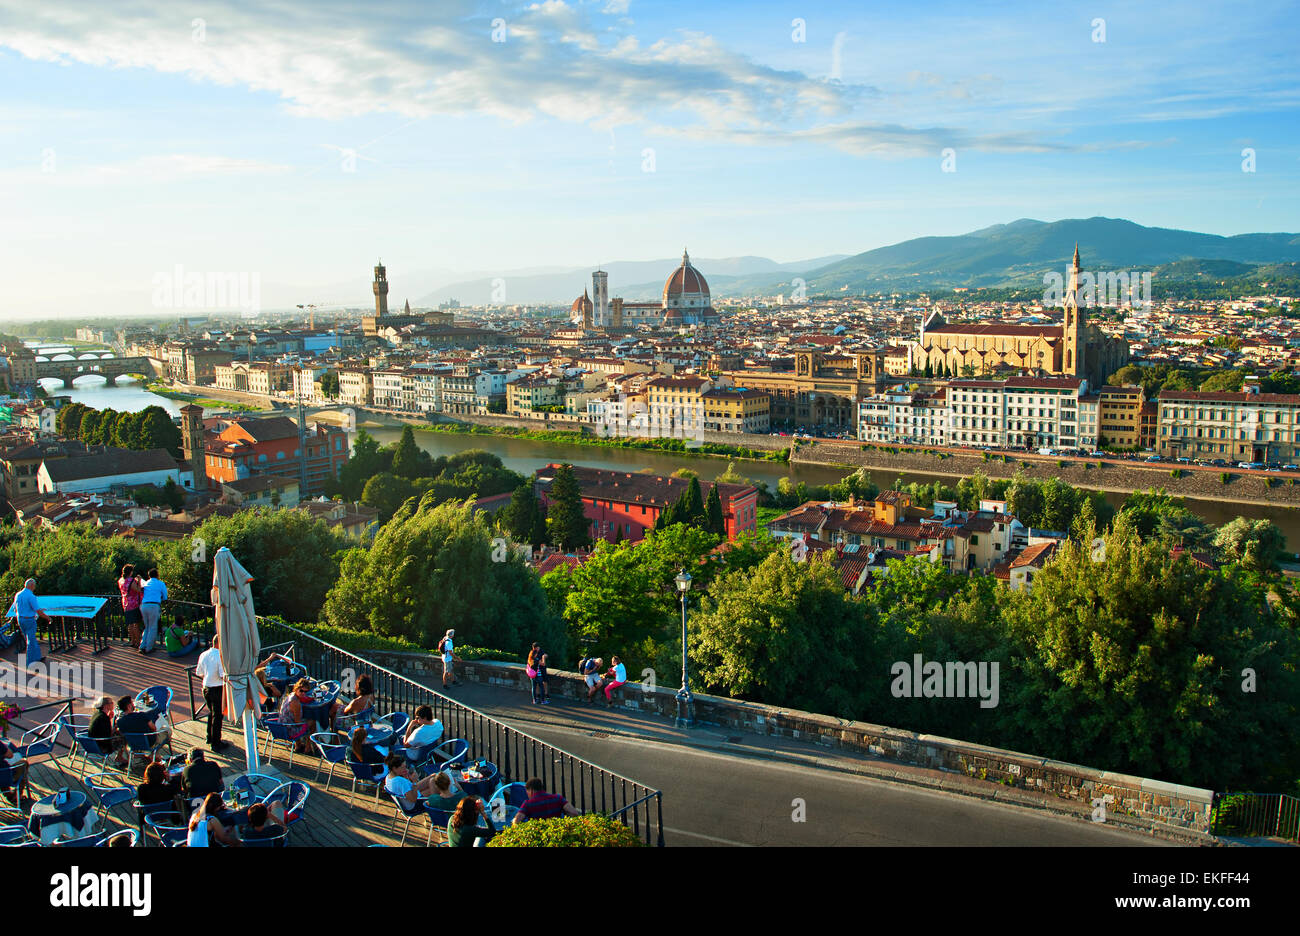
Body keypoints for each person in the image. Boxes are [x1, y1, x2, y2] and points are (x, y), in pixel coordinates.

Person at [194, 634, 227, 752]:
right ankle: (216, 742)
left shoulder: (204, 654)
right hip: (216, 688)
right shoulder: (219, 656)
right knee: (217, 715)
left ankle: (210, 737)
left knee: (212, 712)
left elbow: (199, 672)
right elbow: (222, 675)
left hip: (206, 687)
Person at [11, 579, 51, 669]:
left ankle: (37, 658)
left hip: (20, 619)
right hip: (29, 620)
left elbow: (15, 608)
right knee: (31, 641)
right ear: (31, 586)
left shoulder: (18, 594)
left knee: (29, 639)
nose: (35, 587)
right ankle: (31, 663)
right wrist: (48, 618)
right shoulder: (31, 596)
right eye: (34, 586)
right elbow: (37, 611)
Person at [512, 777, 580, 824]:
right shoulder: (558, 798)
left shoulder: (528, 803)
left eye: (527, 792)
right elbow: (574, 813)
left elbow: (516, 821)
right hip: (556, 832)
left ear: (531, 790)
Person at [88, 694, 128, 768]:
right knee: (124, 737)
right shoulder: (103, 717)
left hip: (92, 743)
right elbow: (108, 734)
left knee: (119, 734)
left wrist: (109, 718)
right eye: (111, 703)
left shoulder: (97, 713)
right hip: (102, 745)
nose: (113, 704)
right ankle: (119, 758)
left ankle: (120, 757)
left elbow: (103, 729)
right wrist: (116, 726)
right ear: (106, 706)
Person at [279, 679, 317, 754]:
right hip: (288, 729)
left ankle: (298, 745)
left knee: (304, 720)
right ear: (296, 688)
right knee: (313, 722)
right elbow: (297, 722)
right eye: (301, 691)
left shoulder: (291, 695)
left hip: (281, 725)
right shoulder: (295, 702)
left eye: (306, 692)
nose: (303, 693)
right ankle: (308, 748)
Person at [138, 568, 168, 654]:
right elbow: (165, 596)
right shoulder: (160, 583)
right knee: (153, 627)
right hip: (154, 605)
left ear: (149, 575)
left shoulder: (146, 583)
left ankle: (142, 646)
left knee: (147, 627)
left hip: (144, 605)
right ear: (157, 575)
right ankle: (149, 648)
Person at [118, 564, 144, 648]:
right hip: (133, 604)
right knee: (135, 624)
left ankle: (132, 641)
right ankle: (138, 642)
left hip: (125, 603)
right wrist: (139, 581)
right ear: (130, 572)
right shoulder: (131, 580)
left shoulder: (120, 580)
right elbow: (138, 590)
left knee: (129, 624)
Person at [2, 735, 30, 802]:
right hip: (7, 778)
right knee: (23, 764)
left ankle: (7, 794)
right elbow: (10, 755)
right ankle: (17, 795)